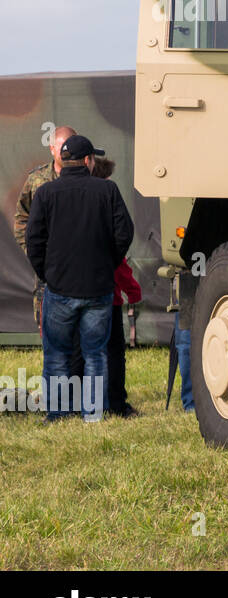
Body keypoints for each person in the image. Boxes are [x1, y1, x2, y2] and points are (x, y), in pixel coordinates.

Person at [25, 135, 134, 422]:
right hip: (98, 290)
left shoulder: (46, 193)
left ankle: (58, 414)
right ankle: (93, 414)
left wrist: (46, 273)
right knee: (96, 354)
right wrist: (105, 264)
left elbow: (33, 240)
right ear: (87, 161)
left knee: (57, 355)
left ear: (62, 160)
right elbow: (125, 233)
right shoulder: (107, 190)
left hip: (59, 289)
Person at [13, 125, 84, 380]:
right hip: (48, 274)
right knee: (52, 338)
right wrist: (34, 254)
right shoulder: (37, 180)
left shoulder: (88, 178)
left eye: (70, 146)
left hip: (79, 271)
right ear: (52, 148)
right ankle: (56, 394)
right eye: (61, 146)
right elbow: (21, 219)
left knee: (81, 337)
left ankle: (80, 390)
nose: (65, 151)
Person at [90, 155, 141, 418]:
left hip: (76, 294)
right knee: (112, 353)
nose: (111, 183)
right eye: (107, 179)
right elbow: (118, 263)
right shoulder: (107, 212)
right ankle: (116, 404)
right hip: (108, 300)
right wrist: (133, 290)